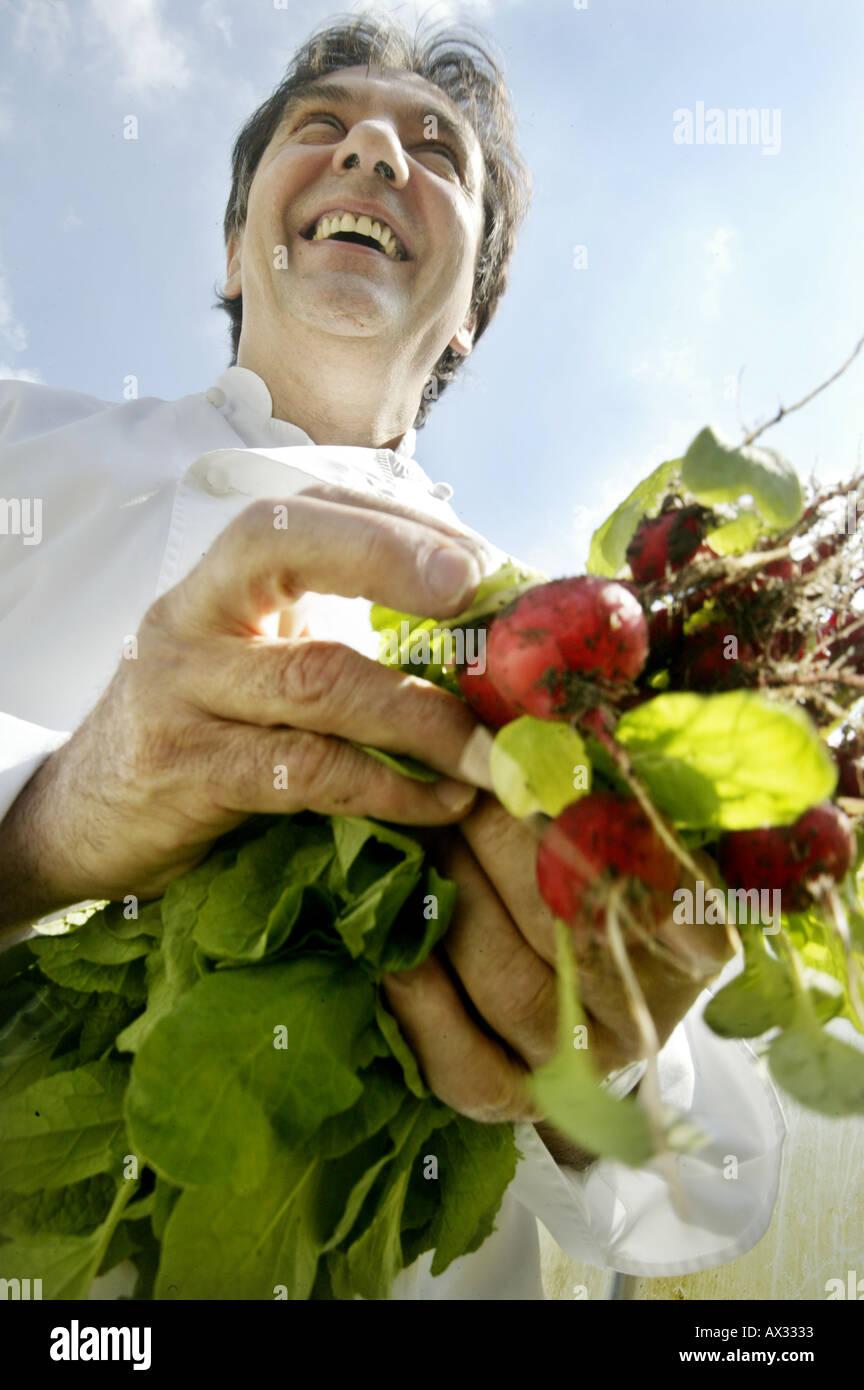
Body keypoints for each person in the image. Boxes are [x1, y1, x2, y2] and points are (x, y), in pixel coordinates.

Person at [0, 13, 783, 1299]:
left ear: (470, 311)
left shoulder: (551, 659)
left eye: (436, 149)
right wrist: (46, 822)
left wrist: (611, 1053)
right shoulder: (21, 446)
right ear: (236, 246)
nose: (373, 146)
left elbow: (716, 1194)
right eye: (324, 125)